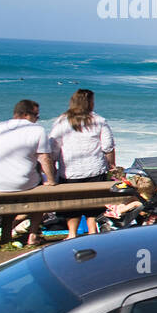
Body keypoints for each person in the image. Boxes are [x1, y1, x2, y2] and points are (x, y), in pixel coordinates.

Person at [0, 99, 56, 251]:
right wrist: (51, 180)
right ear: (26, 114)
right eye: (36, 115)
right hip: (25, 183)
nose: (37, 119)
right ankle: (32, 234)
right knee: (41, 194)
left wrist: (2, 170)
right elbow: (44, 158)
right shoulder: (37, 130)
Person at [49, 89, 116, 238]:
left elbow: (53, 147)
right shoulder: (99, 120)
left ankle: (72, 233)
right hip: (95, 168)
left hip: (69, 170)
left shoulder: (61, 121)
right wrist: (112, 166)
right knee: (94, 203)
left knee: (72, 204)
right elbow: (108, 147)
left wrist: (52, 169)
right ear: (90, 102)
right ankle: (92, 231)